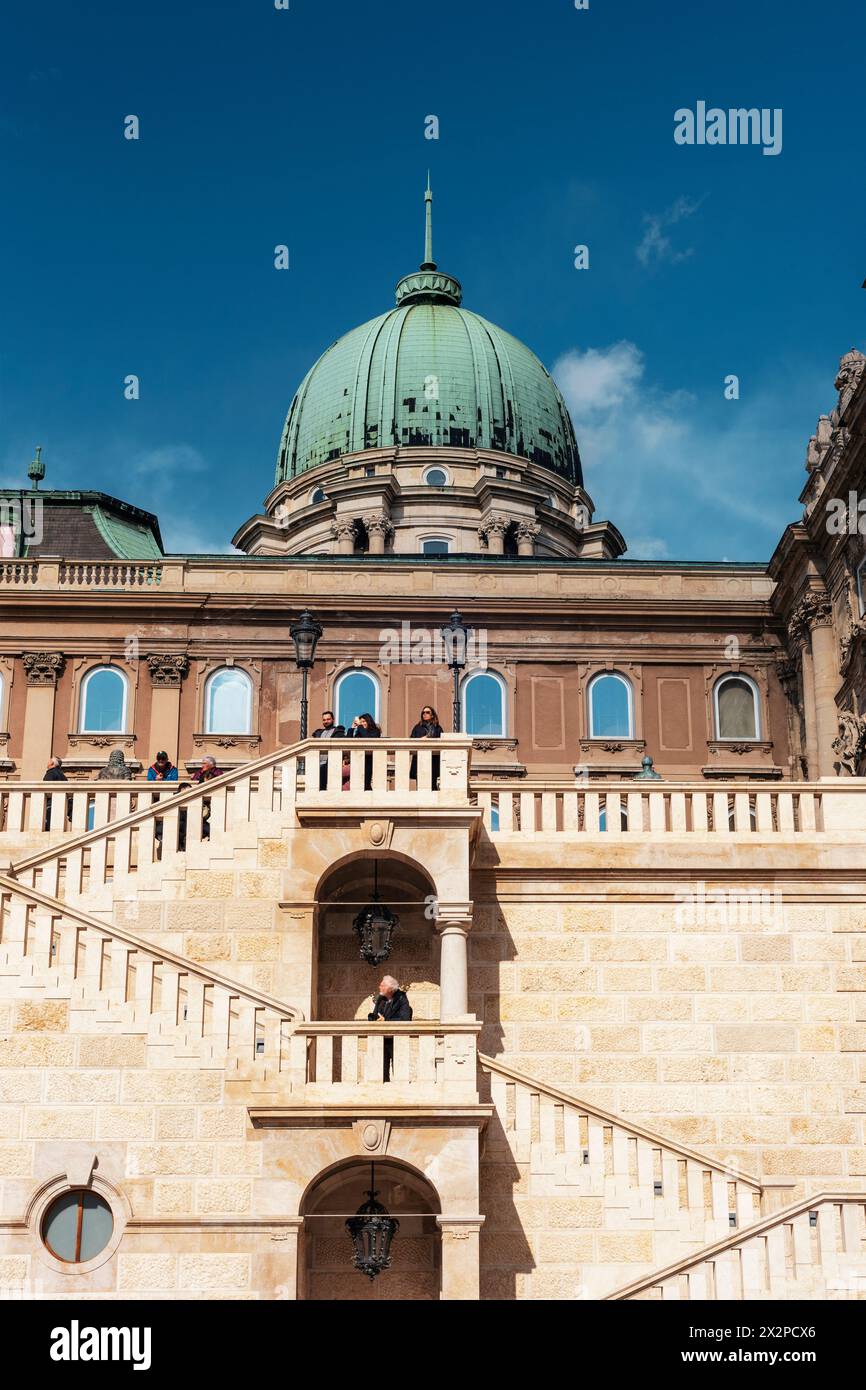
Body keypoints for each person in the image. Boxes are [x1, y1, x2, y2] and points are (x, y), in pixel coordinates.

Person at [367, 975, 413, 1082]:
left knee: (399, 1068)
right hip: (381, 1039)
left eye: (382, 985)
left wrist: (386, 1020)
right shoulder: (381, 999)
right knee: (381, 1069)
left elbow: (405, 1019)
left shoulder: (401, 999)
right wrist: (373, 1018)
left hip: (397, 1040)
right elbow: (376, 1015)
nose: (379, 987)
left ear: (390, 988)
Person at [344, 712, 380, 791]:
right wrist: (352, 728)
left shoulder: (375, 731)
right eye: (361, 722)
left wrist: (360, 726)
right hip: (357, 760)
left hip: (368, 761)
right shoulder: (359, 732)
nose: (362, 724)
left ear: (368, 721)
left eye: (364, 721)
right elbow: (347, 742)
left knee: (366, 783)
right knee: (356, 783)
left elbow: (368, 740)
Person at [409, 705, 442, 787]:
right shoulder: (417, 727)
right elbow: (411, 741)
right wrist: (421, 739)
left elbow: (441, 741)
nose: (425, 714)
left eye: (427, 712)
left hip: (433, 759)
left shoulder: (437, 728)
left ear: (432, 715)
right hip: (420, 759)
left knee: (433, 784)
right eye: (423, 712)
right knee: (420, 785)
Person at [191, 755, 223, 838]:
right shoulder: (199, 772)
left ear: (211, 764)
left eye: (204, 763)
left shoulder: (218, 772)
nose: (202, 765)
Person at [312, 709, 344, 790]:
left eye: (328, 719)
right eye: (324, 720)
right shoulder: (319, 733)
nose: (326, 721)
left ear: (333, 720)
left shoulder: (338, 732)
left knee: (327, 787)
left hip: (330, 763)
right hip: (317, 763)